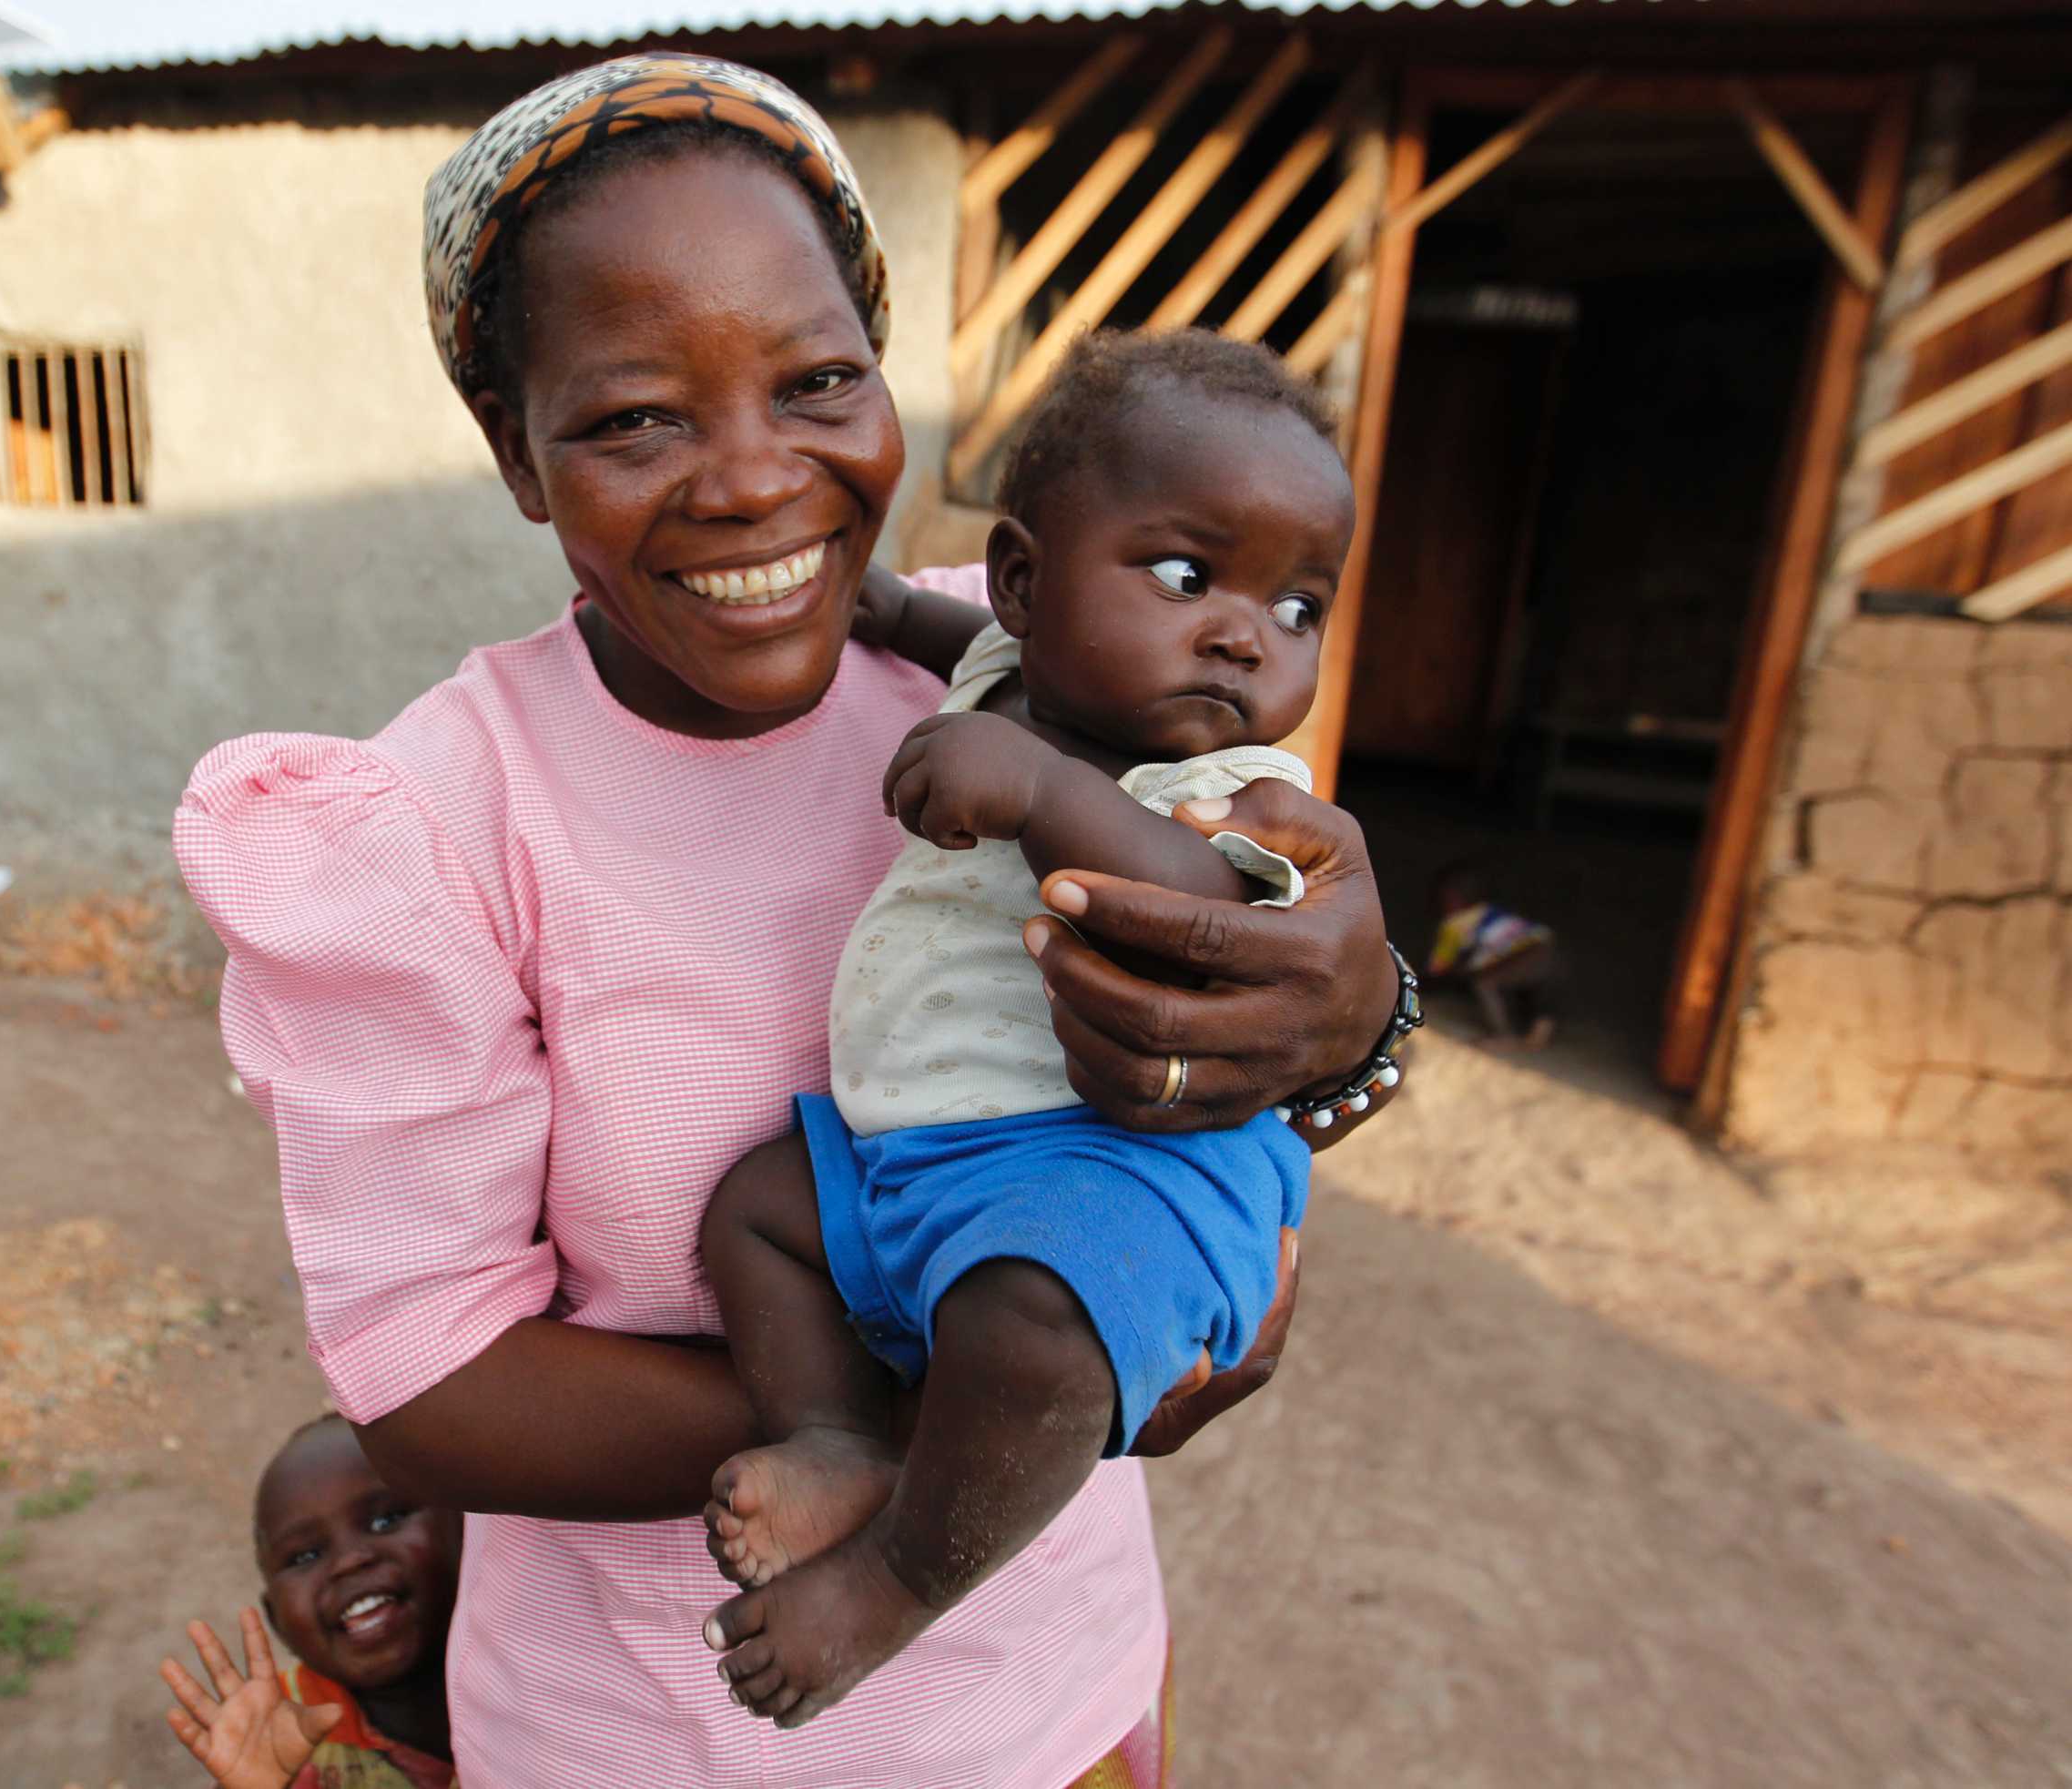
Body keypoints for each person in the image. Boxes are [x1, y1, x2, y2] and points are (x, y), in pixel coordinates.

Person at [174, 52, 1407, 1788]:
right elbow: (432, 1385)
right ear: (516, 458)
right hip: (666, 1737)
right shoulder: (430, 831)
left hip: (1056, 1693)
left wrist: (1361, 1012)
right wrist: (1002, 1413)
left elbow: (1266, 884)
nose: (754, 482)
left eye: (819, 381)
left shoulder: (1031, 658)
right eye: (633, 417)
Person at [698, 329, 1365, 1728]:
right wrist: (879, 611)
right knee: (755, 1209)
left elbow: (1197, 905)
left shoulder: (1231, 785)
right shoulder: (1007, 665)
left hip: (1118, 1171)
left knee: (1036, 1330)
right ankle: (833, 1433)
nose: (1246, 634)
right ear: (1020, 580)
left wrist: (1040, 792)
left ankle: (895, 1584)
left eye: (1299, 606)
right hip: (921, 1155)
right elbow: (973, 648)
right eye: (1187, 577)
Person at [160, 1415, 462, 1789]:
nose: (350, 1561)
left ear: (466, 1529)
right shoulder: (282, 1741)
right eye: (305, 1556)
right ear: (277, 1623)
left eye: (386, 1520)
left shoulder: (543, 1665)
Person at [1427, 859, 1556, 1049]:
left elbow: (1438, 968)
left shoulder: (1455, 924)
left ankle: (1502, 1034)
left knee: (1484, 982)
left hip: (1527, 952)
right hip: (1546, 942)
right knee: (1538, 988)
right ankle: (1539, 1035)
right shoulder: (1488, 911)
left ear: (1452, 898)